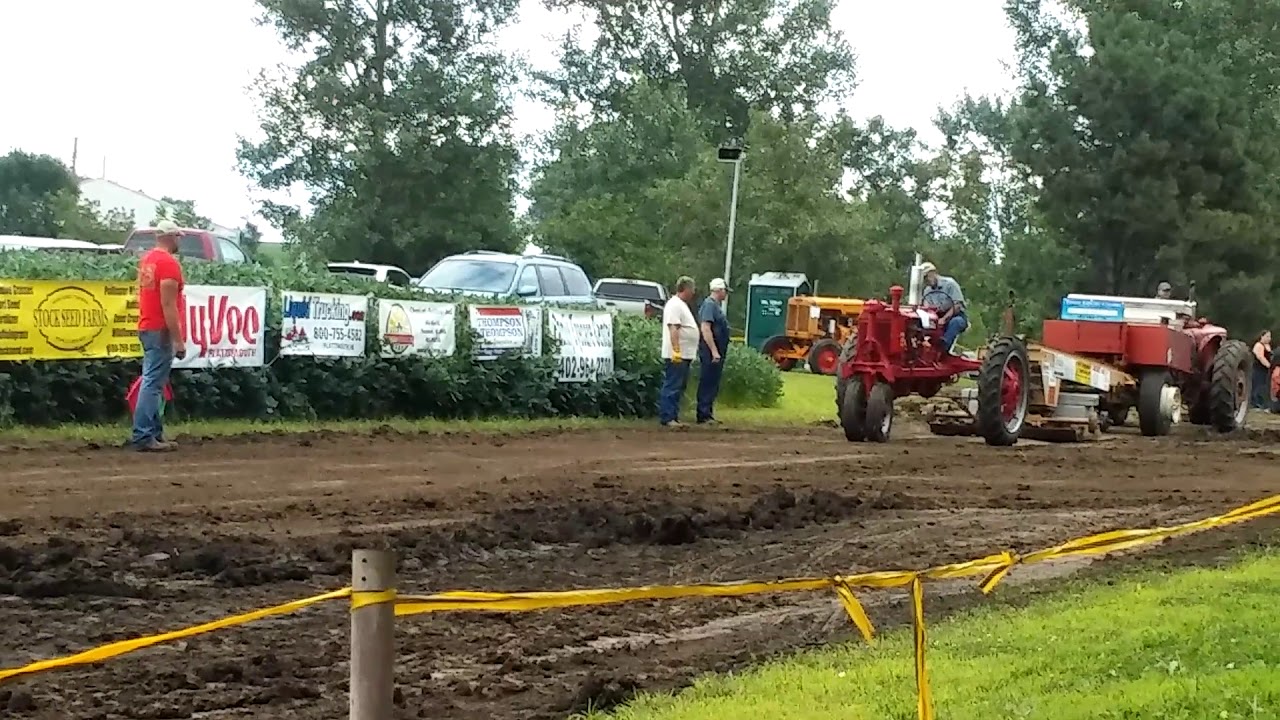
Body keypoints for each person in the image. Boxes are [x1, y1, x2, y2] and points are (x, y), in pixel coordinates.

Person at [131, 220, 187, 452]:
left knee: (153, 380)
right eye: (178, 236)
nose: (179, 240)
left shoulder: (148, 260)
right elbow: (168, 304)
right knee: (153, 382)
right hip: (160, 328)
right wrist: (178, 338)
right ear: (171, 236)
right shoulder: (168, 264)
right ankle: (144, 434)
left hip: (147, 325)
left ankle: (153, 432)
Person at [658, 276, 699, 427]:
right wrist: (676, 350)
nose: (693, 292)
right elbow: (673, 328)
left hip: (685, 353)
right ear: (686, 288)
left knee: (679, 385)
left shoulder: (681, 305)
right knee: (673, 384)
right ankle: (668, 417)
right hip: (677, 354)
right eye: (692, 289)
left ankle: (673, 415)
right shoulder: (674, 305)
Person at [696, 278, 731, 424]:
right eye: (725, 291)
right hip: (710, 350)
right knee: (708, 381)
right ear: (720, 290)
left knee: (713, 382)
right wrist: (714, 351)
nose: (726, 294)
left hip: (716, 349)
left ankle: (708, 412)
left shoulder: (714, 306)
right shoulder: (709, 305)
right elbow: (706, 328)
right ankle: (703, 414)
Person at [919, 261, 967, 355]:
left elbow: (957, 305)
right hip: (936, 317)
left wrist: (944, 319)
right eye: (923, 279)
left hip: (954, 315)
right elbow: (926, 307)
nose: (926, 281)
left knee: (955, 322)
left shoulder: (950, 284)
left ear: (933, 273)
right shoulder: (927, 291)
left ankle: (942, 349)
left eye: (926, 277)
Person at [1251, 330, 1272, 410]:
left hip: (1265, 370)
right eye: (1267, 336)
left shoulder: (1268, 346)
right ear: (1262, 336)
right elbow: (1260, 357)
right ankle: (1255, 403)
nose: (1269, 338)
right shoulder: (1258, 345)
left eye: (1269, 336)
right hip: (1258, 368)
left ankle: (1262, 403)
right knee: (1257, 385)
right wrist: (1268, 365)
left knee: (1264, 386)